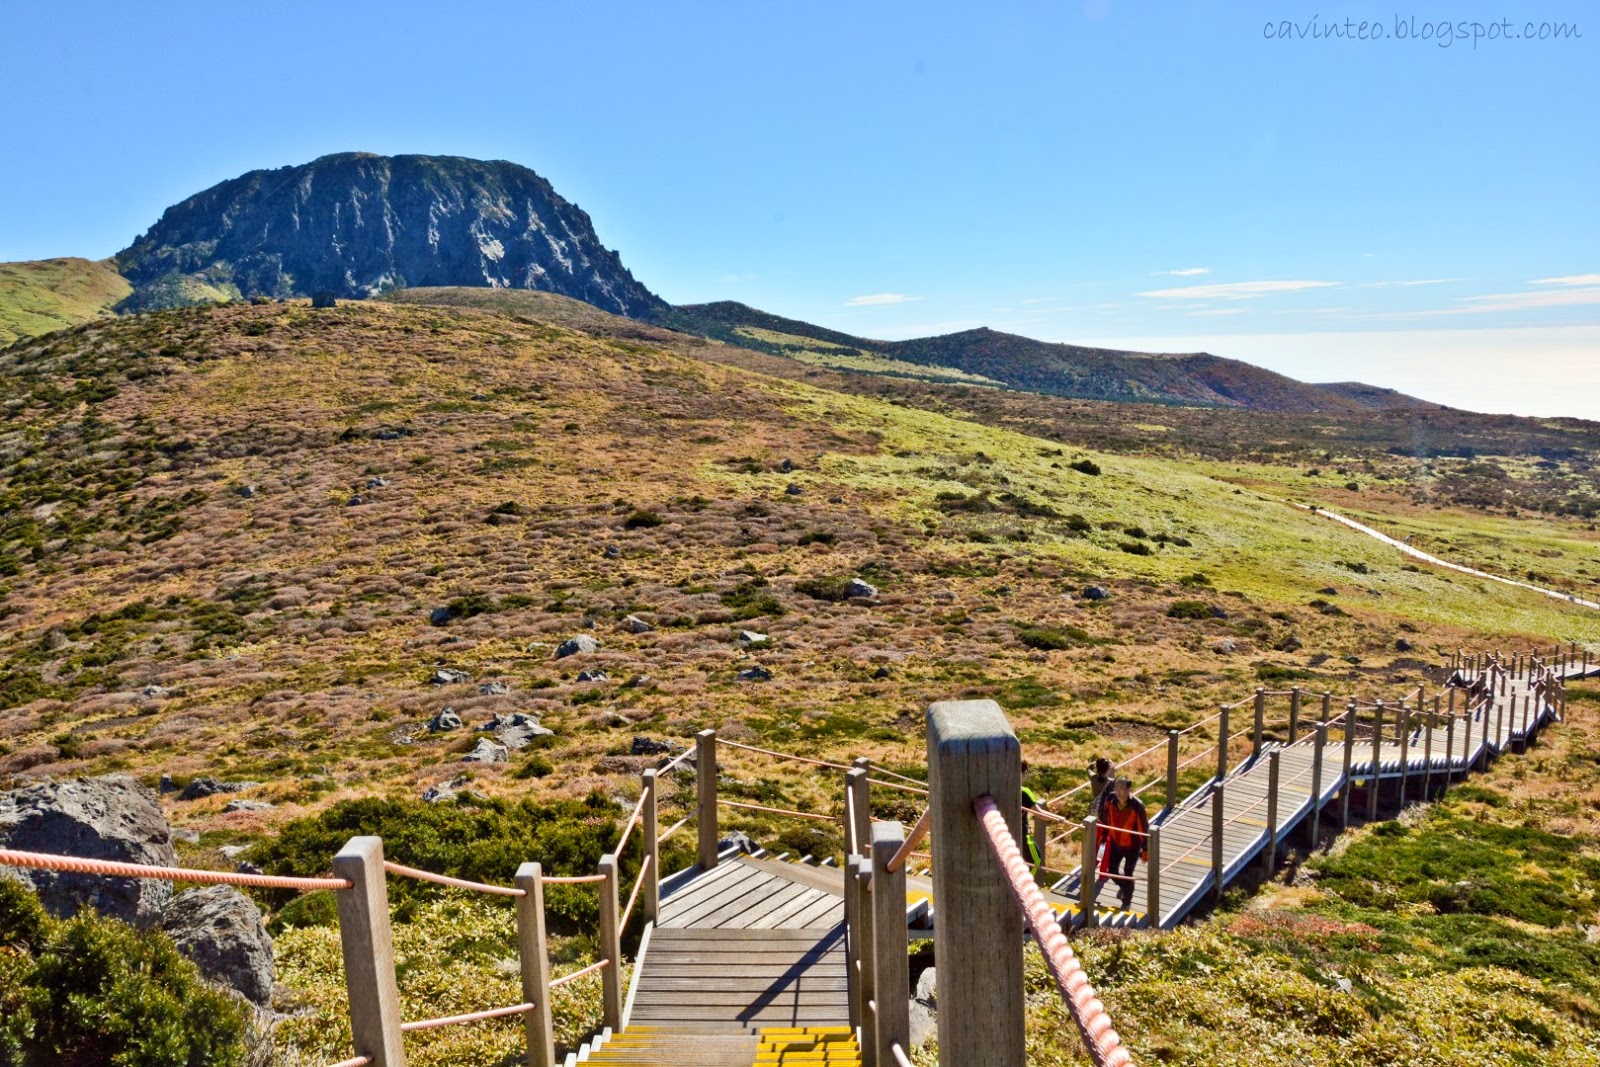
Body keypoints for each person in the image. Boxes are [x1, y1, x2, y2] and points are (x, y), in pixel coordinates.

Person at [1100, 777, 1148, 909]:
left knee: (1128, 873)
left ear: (1129, 789)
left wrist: (1146, 848)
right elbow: (1106, 818)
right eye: (1116, 788)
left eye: (1122, 789)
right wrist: (1104, 835)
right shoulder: (1110, 799)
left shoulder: (1137, 806)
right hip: (1115, 843)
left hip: (1132, 846)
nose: (1119, 792)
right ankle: (1125, 887)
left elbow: (1143, 828)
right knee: (1112, 871)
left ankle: (1126, 902)